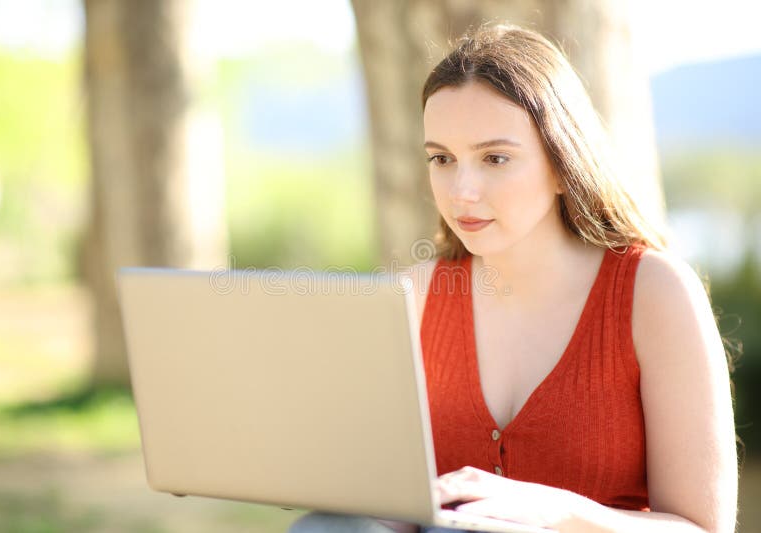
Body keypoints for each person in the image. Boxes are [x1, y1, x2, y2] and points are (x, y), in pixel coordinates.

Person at [288, 22, 738, 533]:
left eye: (495, 158)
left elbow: (702, 529)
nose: (461, 190)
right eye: (442, 159)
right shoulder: (412, 296)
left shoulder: (653, 293)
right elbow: (395, 506)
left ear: (563, 163)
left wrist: (559, 512)